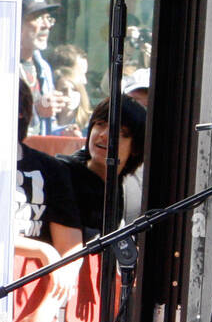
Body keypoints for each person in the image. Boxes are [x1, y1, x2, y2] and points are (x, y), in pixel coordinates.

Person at [7, 80, 83, 322]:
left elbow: (72, 249)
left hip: (31, 302)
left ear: (20, 111)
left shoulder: (49, 169)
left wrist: (43, 314)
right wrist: (41, 250)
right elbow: (52, 252)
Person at [58, 98, 147, 241]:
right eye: (100, 124)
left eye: (120, 131)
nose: (104, 135)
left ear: (136, 147)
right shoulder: (62, 175)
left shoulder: (133, 191)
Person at [19, 0, 66, 137]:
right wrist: (36, 110)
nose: (46, 25)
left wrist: (64, 131)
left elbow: (46, 128)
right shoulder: (5, 66)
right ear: (17, 22)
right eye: (38, 17)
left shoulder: (43, 68)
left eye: (48, 18)